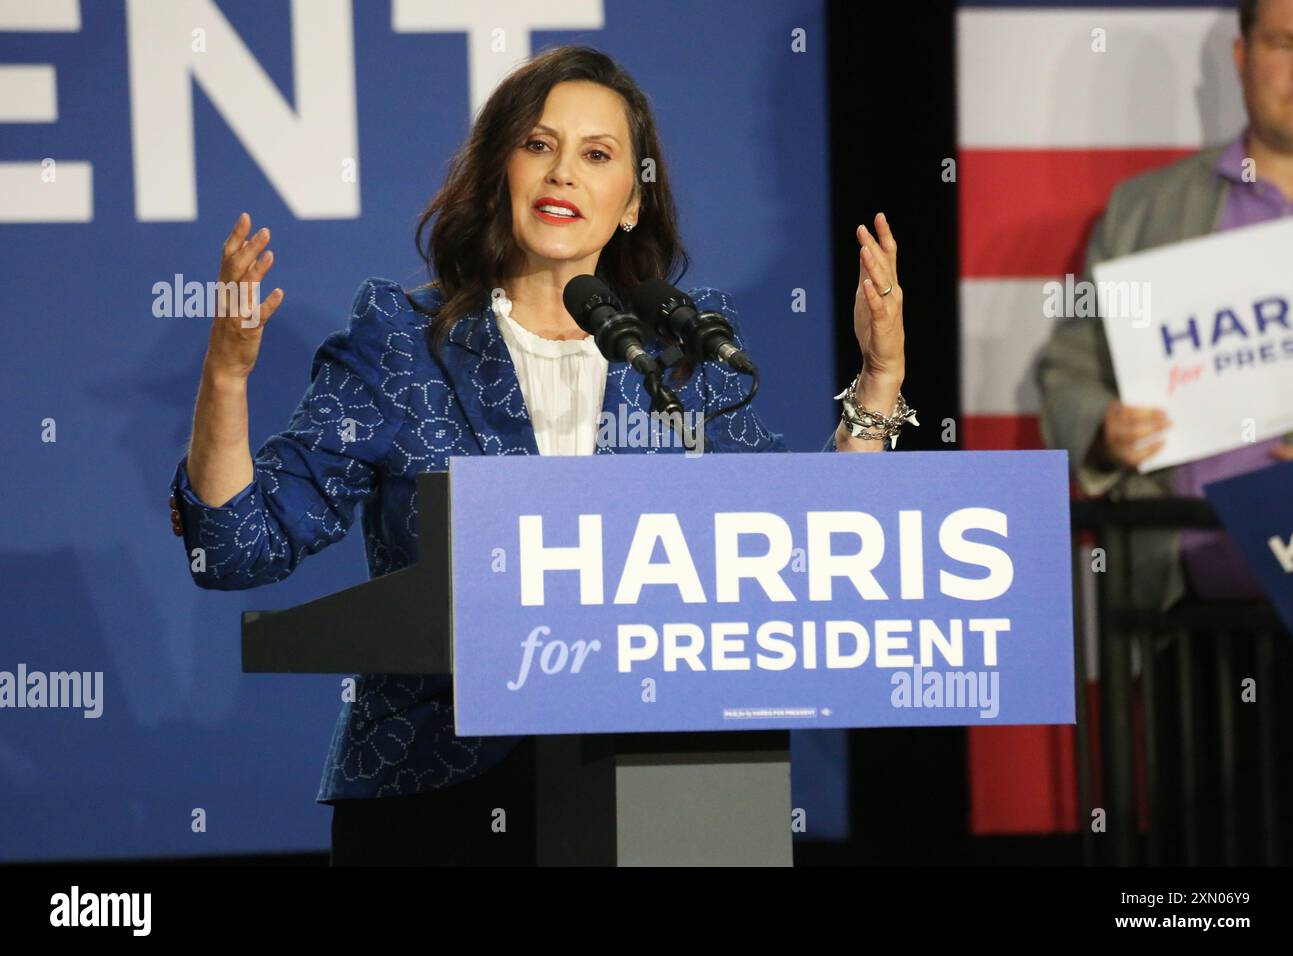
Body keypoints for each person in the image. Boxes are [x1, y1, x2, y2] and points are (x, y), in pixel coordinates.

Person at [168, 45, 913, 866]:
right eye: (538, 145)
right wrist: (228, 378)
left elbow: (810, 552)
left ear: (632, 201)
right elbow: (236, 549)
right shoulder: (402, 345)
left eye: (597, 155)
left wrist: (879, 381)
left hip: (660, 788)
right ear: (501, 172)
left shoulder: (680, 356)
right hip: (436, 797)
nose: (564, 174)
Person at [1037, 0, 1293, 612]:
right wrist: (1105, 429)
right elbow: (1069, 374)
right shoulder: (1144, 211)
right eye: (1285, 44)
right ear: (1242, 57)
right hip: (1182, 617)